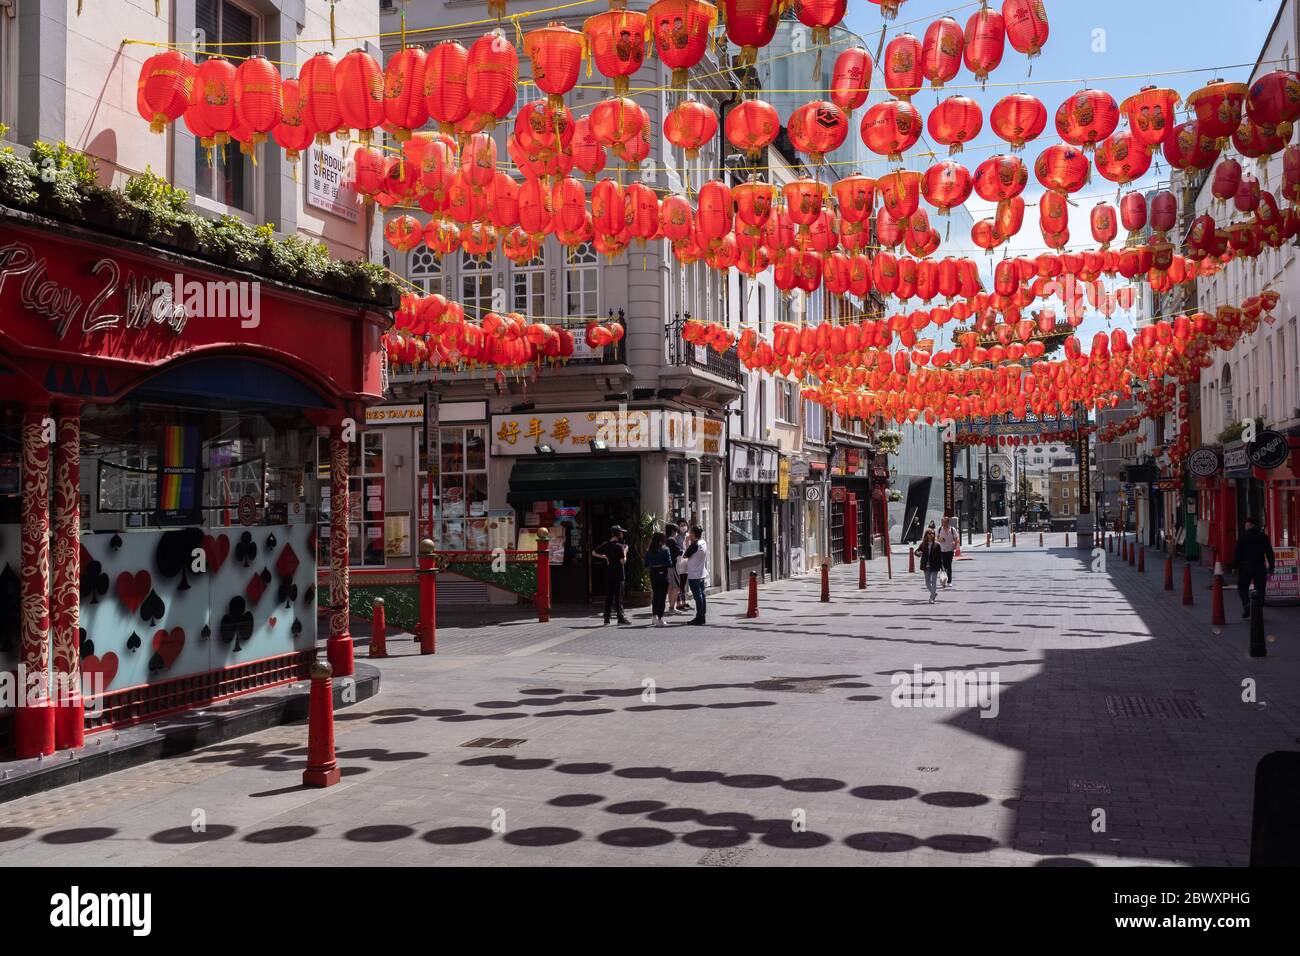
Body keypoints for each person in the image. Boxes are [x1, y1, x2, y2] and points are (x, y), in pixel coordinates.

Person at [1235, 515, 1276, 619]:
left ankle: (1247, 605)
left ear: (1249, 525)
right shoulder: (1263, 536)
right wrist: (1271, 566)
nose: (1245, 526)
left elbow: (1238, 553)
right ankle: (1258, 609)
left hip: (1246, 566)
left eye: (1246, 524)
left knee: (1242, 587)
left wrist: (1235, 566)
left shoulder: (1243, 536)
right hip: (1259, 566)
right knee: (1260, 588)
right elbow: (1269, 552)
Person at [592, 525, 630, 625]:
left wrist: (604, 557)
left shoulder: (606, 544)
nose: (622, 534)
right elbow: (623, 561)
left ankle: (607, 618)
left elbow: (594, 552)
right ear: (618, 533)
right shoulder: (619, 546)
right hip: (619, 575)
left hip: (609, 574)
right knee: (618, 597)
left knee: (608, 596)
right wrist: (625, 551)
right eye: (621, 532)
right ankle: (620, 618)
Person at [644, 531, 673, 627]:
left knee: (655, 595)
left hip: (653, 574)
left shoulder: (649, 550)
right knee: (662, 596)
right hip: (663, 574)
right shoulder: (665, 549)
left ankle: (654, 616)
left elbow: (646, 564)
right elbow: (669, 563)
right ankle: (660, 618)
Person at [683, 525, 709, 625]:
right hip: (701, 572)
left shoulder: (695, 545)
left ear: (693, 534)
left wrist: (686, 542)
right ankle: (702, 616)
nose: (688, 534)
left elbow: (685, 555)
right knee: (702, 594)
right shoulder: (703, 542)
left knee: (698, 596)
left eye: (690, 532)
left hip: (694, 574)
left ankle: (699, 617)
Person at [918, 528, 944, 603]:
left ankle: (931, 598)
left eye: (933, 533)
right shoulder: (923, 544)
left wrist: (942, 567)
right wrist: (918, 553)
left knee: (934, 581)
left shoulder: (937, 545)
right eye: (930, 533)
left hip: (935, 566)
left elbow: (940, 557)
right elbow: (917, 551)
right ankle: (934, 593)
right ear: (926, 535)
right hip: (926, 566)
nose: (932, 535)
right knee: (927, 583)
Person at [664, 522, 684, 615]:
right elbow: (679, 551)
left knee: (670, 587)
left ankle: (672, 607)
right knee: (676, 587)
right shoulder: (672, 540)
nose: (677, 533)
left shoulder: (664, 539)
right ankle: (672, 607)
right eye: (676, 531)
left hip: (666, 566)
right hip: (672, 566)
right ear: (673, 531)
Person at [672, 520, 692, 612]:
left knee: (683, 583)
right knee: (678, 583)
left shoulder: (688, 535)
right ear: (678, 527)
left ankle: (684, 601)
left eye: (685, 525)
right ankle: (678, 602)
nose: (684, 527)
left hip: (686, 561)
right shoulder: (677, 537)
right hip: (679, 561)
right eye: (681, 525)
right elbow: (678, 549)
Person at [936, 514, 959, 588]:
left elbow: (956, 539)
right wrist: (940, 539)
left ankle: (949, 581)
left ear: (948, 522)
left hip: (950, 550)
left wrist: (955, 544)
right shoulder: (939, 529)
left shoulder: (952, 529)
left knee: (949, 566)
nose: (943, 523)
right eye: (942, 522)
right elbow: (937, 538)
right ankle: (943, 580)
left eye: (944, 522)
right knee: (942, 566)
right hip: (942, 550)